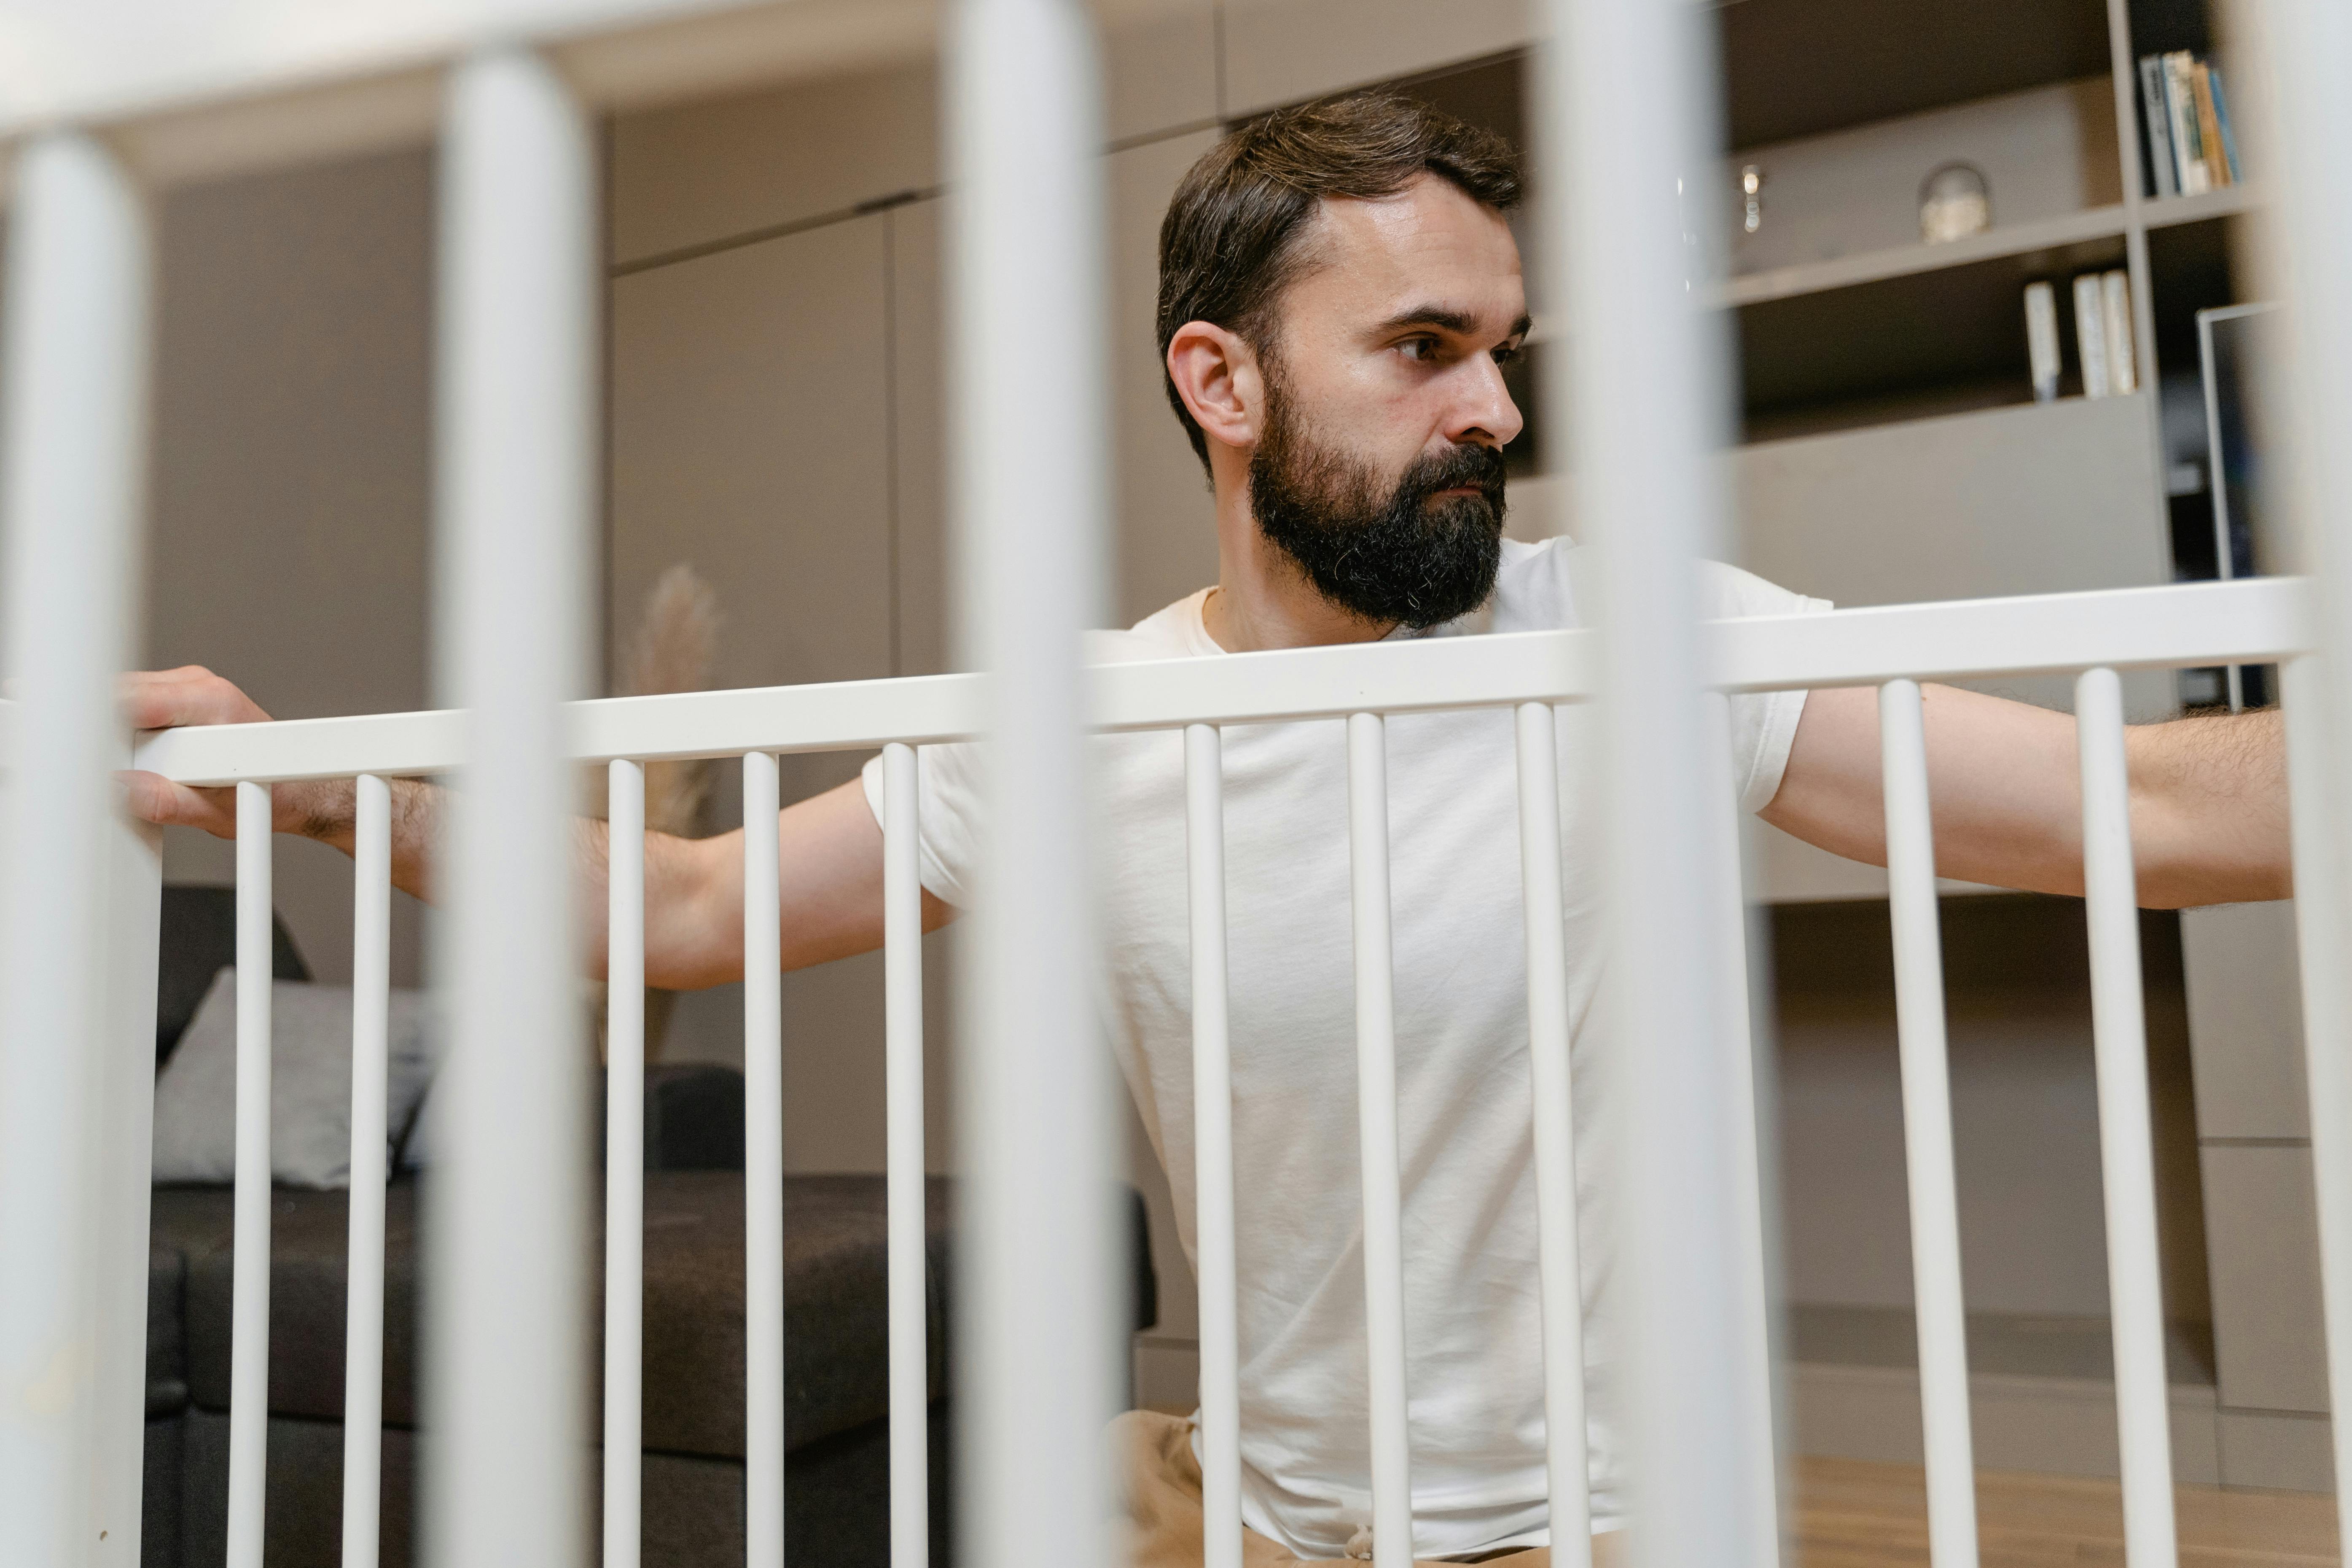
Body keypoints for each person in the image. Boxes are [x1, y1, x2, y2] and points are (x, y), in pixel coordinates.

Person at [124, 93, 2290, 1566]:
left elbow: (2139, 802)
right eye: (1425, 348)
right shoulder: (1078, 721)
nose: (1499, 413)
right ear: (1221, 383)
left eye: (1505, 352)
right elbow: (682, 903)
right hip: (1252, 1513)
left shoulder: (1640, 646)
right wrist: (319, 789)